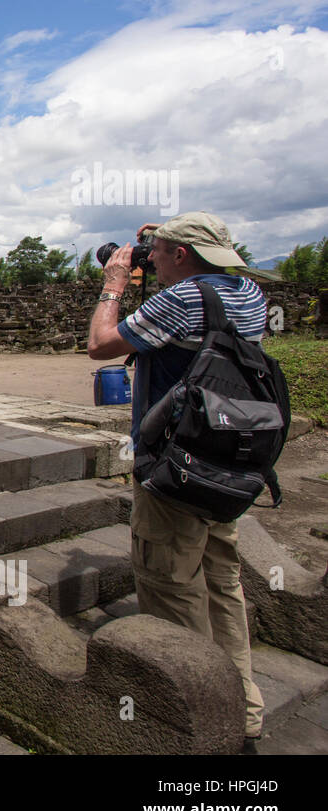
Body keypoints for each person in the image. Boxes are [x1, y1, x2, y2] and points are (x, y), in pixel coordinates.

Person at [86, 212, 268, 752]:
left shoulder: (181, 300)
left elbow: (101, 344)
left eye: (160, 252)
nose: (152, 260)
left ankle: (189, 716)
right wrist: (155, 241)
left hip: (174, 462)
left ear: (183, 256)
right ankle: (244, 705)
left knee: (171, 579)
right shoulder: (250, 295)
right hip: (228, 462)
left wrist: (114, 286)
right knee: (221, 581)